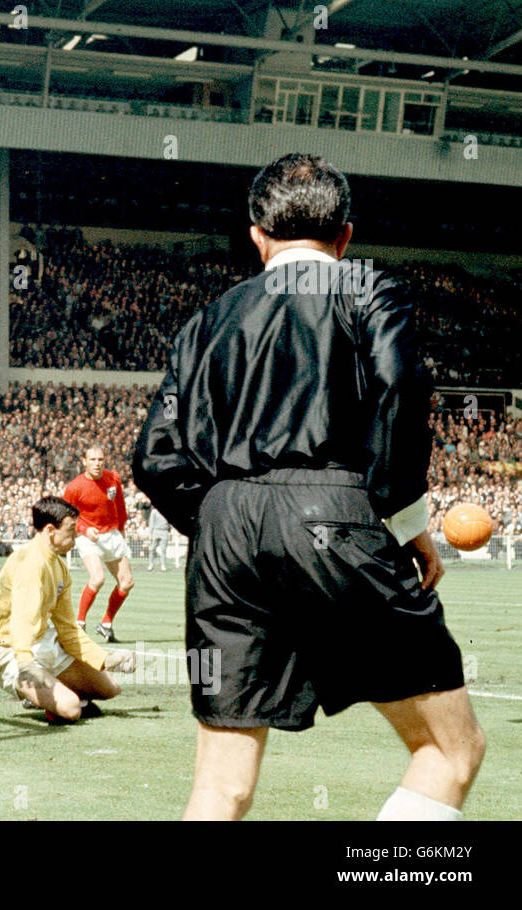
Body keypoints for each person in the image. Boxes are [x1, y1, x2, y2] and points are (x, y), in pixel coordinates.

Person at [133, 152, 485, 820]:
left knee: (220, 786)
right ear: (345, 234)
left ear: (256, 234)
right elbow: (400, 397)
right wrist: (407, 525)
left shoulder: (204, 322)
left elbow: (154, 457)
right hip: (335, 511)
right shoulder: (368, 287)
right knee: (450, 750)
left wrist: (220, 521)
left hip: (224, 532)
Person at [0, 496, 136, 723]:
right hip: (11, 650)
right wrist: (25, 662)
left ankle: (51, 689)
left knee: (111, 689)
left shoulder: (59, 567)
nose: (76, 535)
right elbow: (21, 621)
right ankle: (36, 693)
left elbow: (67, 628)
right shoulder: (29, 564)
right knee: (71, 709)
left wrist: (105, 658)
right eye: (70, 529)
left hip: (42, 641)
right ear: (50, 530)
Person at [63, 447, 134, 642]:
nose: (97, 463)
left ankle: (106, 624)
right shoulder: (74, 487)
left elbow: (120, 505)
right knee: (98, 579)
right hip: (87, 536)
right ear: (84, 461)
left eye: (100, 459)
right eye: (92, 459)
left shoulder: (113, 479)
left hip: (111, 534)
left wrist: (121, 528)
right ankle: (79, 624)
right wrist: (85, 530)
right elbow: (65, 516)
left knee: (127, 582)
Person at [146, 503, 171, 571]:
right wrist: (150, 533)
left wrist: (169, 531)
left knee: (163, 550)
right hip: (156, 531)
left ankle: (163, 565)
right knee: (152, 549)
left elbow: (170, 522)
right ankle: (151, 564)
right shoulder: (154, 512)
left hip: (164, 531)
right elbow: (151, 522)